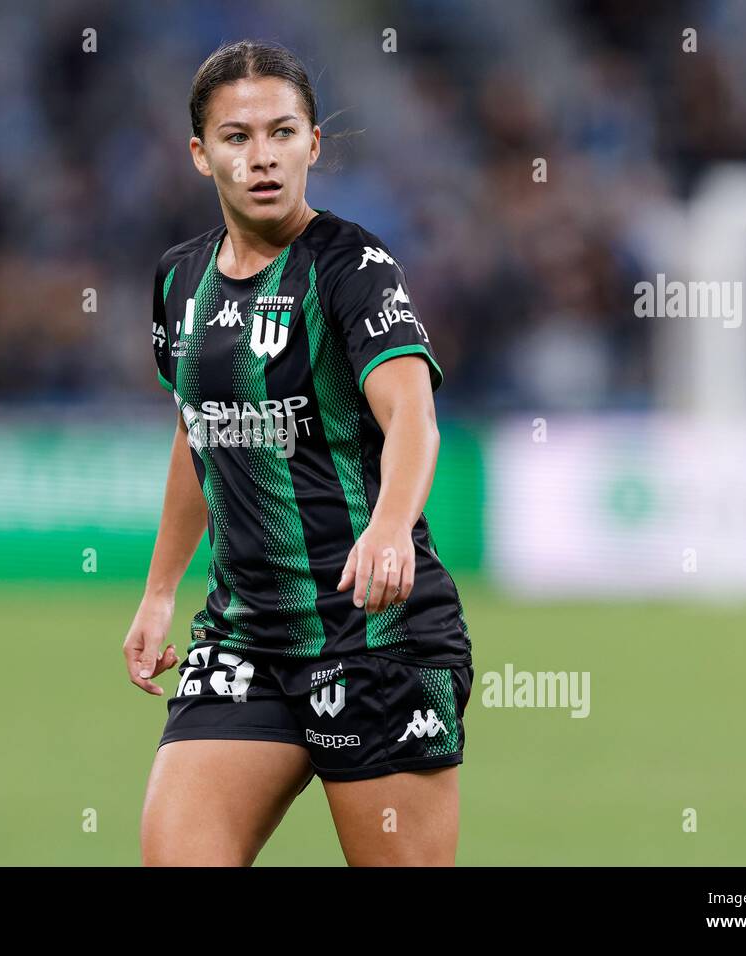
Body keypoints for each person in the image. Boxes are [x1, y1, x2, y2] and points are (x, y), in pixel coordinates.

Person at [123, 39, 474, 866]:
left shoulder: (352, 269)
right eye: (237, 138)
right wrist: (159, 591)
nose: (262, 157)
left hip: (372, 634)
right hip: (244, 636)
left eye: (282, 133)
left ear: (314, 144)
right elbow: (196, 430)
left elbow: (414, 419)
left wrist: (390, 526)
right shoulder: (178, 283)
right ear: (200, 154)